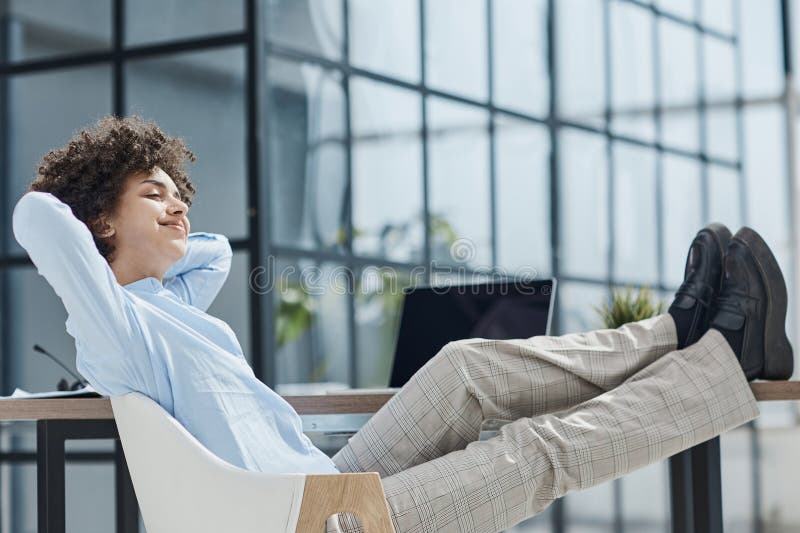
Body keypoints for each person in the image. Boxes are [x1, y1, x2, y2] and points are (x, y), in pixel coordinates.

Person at [12, 115, 793, 533]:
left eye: (176, 187)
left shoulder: (167, 306)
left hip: (322, 478)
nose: (179, 203)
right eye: (153, 194)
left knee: (463, 367)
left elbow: (209, 255)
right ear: (97, 227)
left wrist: (150, 204)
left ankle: (673, 334)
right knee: (532, 455)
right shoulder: (115, 329)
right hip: (313, 524)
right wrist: (93, 217)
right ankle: (724, 358)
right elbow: (36, 216)